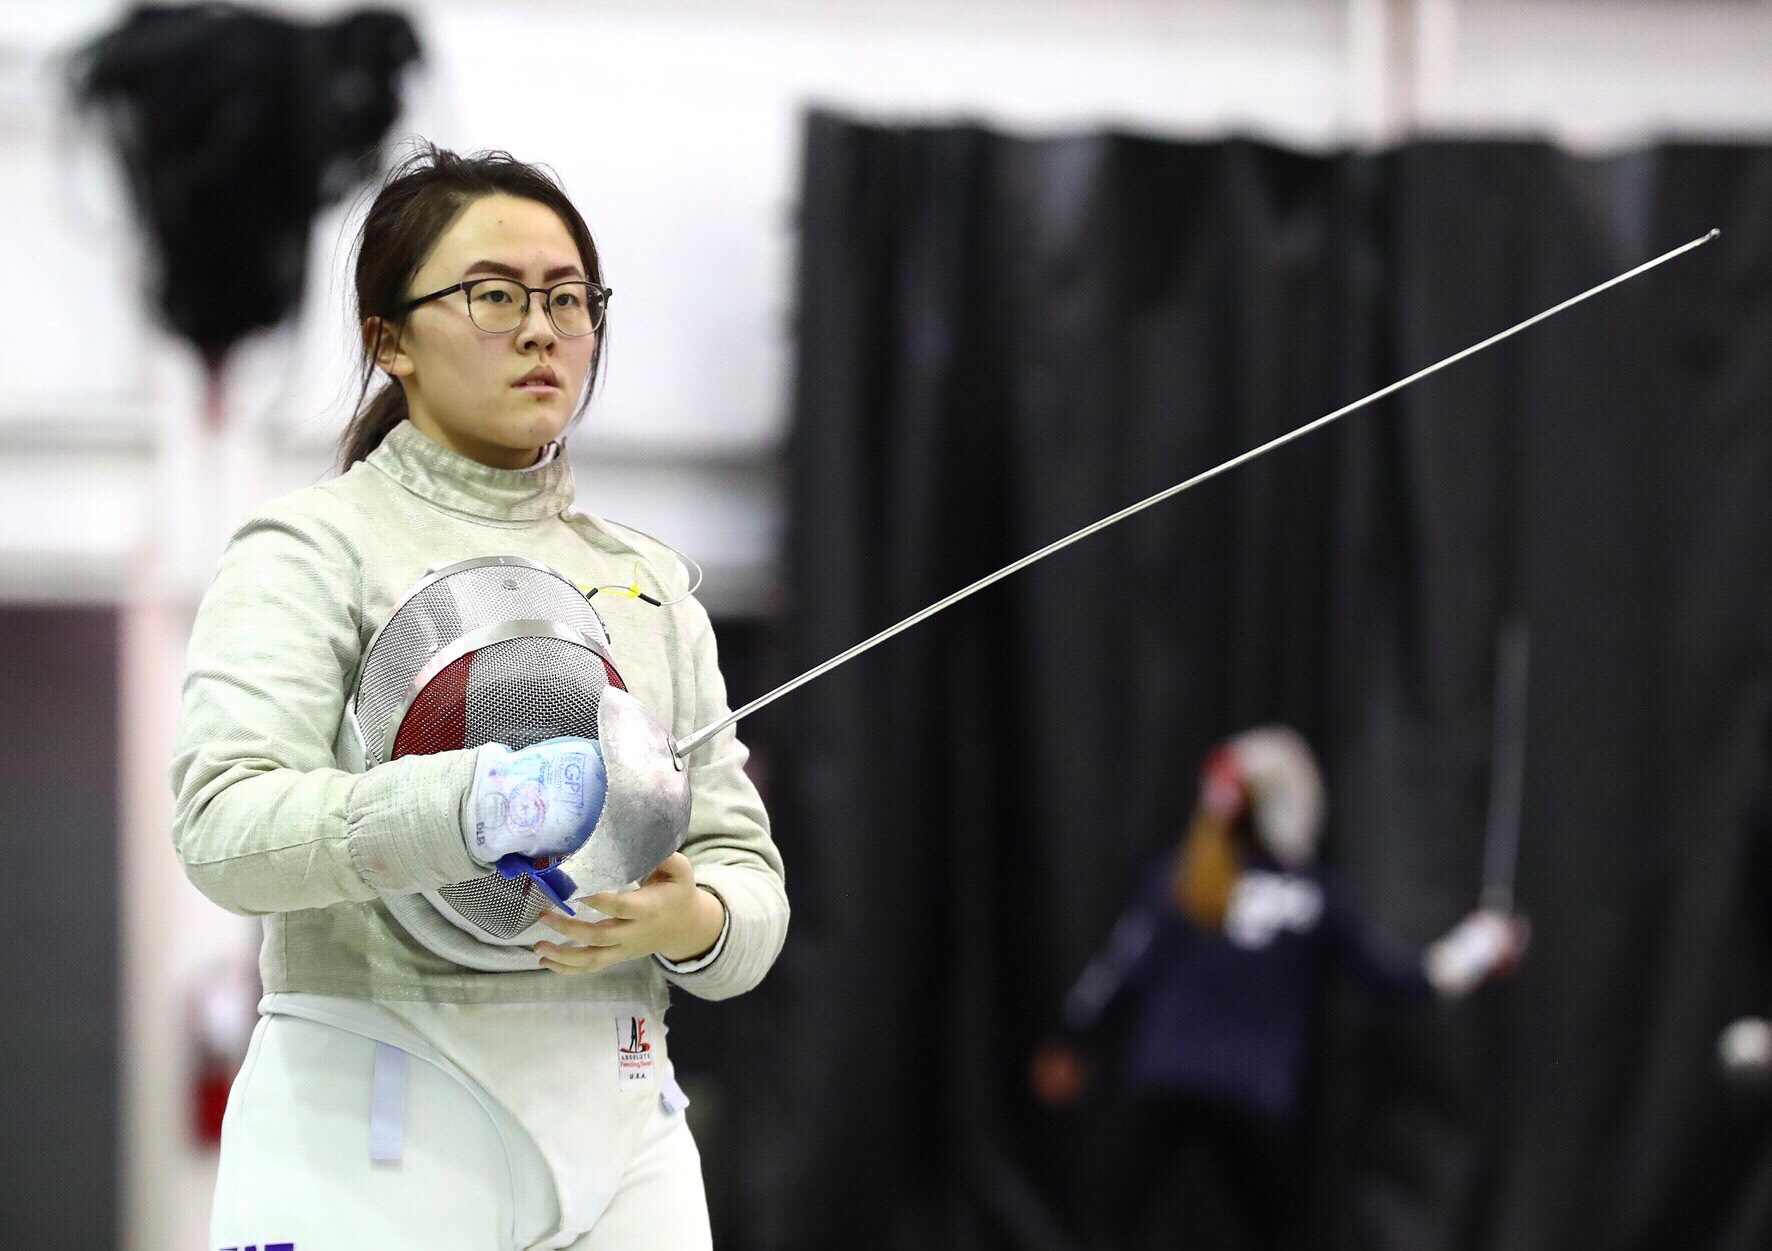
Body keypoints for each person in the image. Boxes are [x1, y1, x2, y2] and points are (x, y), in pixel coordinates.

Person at [169, 144, 788, 1251]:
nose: (542, 329)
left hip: (622, 1120)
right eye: (495, 295)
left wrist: (688, 919)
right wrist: (470, 806)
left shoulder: (649, 585)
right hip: (373, 1114)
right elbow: (225, 831)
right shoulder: (313, 548)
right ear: (388, 339)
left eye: (568, 298)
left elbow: (746, 878)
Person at [1029, 727, 1526, 1251]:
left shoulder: (1179, 881)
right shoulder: (1307, 896)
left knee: (1116, 1223)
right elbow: (1399, 982)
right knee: (1274, 1231)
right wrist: (1479, 947)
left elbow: (1116, 973)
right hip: (1253, 1092)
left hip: (1169, 1080)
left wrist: (1071, 1038)